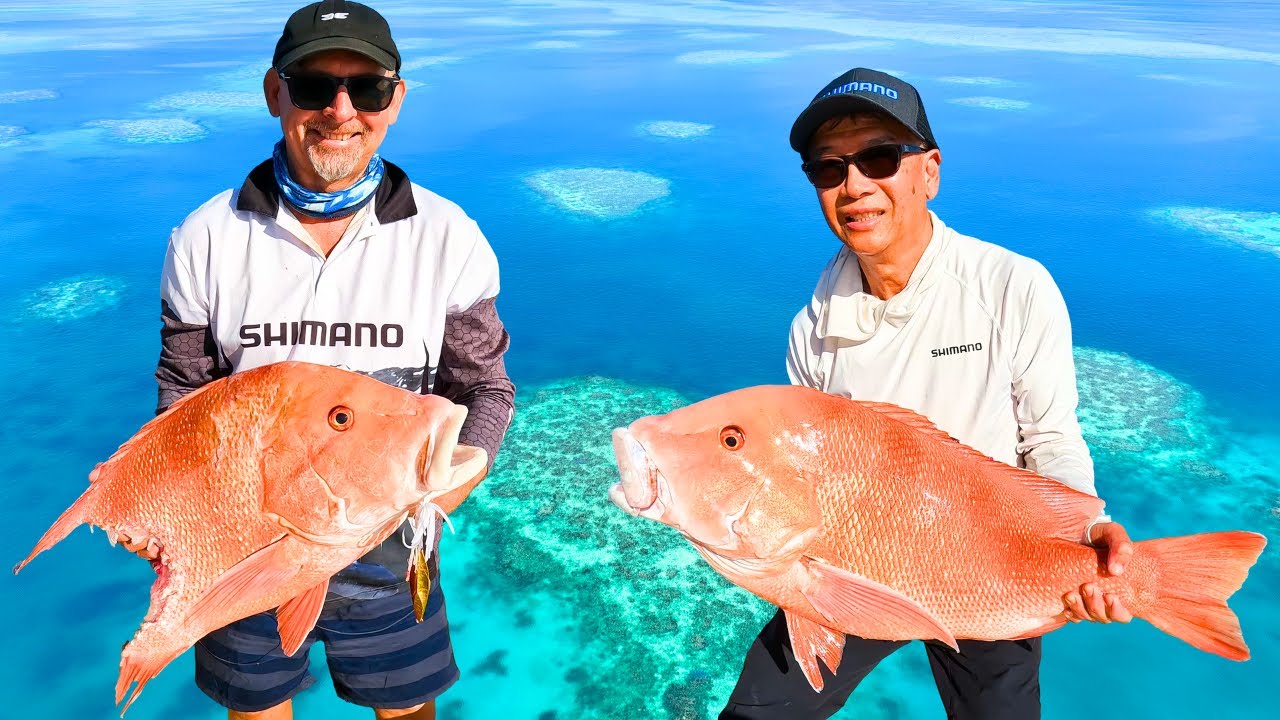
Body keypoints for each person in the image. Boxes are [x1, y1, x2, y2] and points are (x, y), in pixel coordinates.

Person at [120, 2, 515, 718]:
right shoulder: (205, 238)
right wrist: (170, 522)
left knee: (407, 709)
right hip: (248, 551)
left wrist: (446, 489)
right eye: (313, 86)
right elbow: (183, 403)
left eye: (366, 89)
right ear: (275, 93)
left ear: (394, 99)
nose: (340, 111)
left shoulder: (449, 236)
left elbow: (484, 390)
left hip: (396, 559)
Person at [719, 68, 1133, 720]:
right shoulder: (813, 330)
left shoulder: (1012, 287)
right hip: (857, 568)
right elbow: (800, 477)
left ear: (929, 172)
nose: (854, 185)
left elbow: (1048, 434)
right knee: (757, 713)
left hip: (990, 568)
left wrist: (1086, 534)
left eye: (879, 158)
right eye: (828, 169)